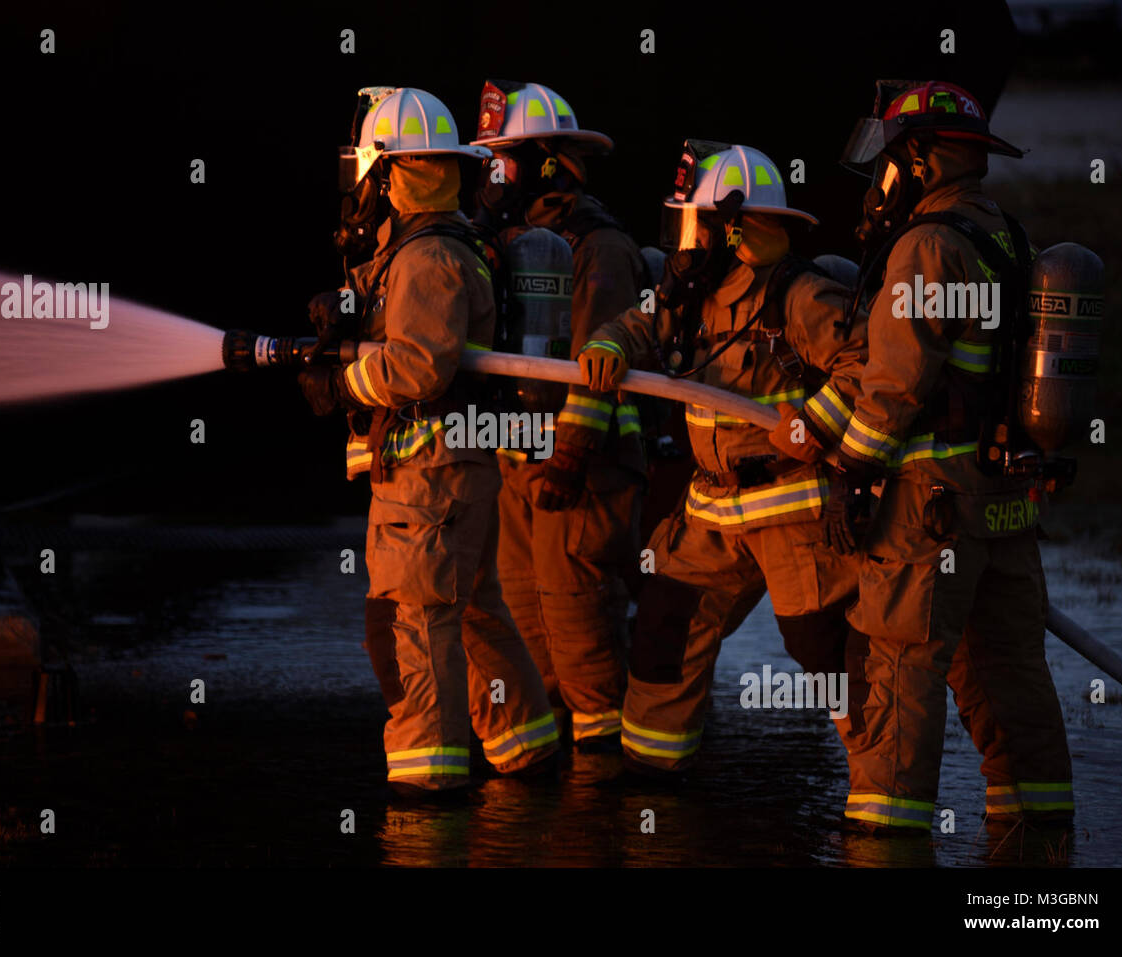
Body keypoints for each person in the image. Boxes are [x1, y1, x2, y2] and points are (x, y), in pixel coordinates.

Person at [300, 86, 559, 794]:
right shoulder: (434, 244)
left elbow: (418, 363)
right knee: (473, 612)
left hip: (429, 473)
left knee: (413, 626)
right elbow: (403, 319)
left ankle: (427, 800)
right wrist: (347, 308)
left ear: (390, 171)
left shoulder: (427, 256)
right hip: (452, 469)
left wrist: (346, 381)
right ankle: (529, 755)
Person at [830, 80, 1073, 832]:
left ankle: (886, 834)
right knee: (1011, 669)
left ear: (921, 161)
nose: (881, 183)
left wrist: (851, 471)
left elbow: (897, 387)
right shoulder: (1010, 238)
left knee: (901, 663)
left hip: (929, 504)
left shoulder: (926, 246)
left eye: (890, 163)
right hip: (1003, 500)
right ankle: (1039, 835)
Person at [581, 141, 868, 775]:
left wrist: (815, 426)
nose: (684, 246)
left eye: (696, 227)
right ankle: (652, 793)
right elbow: (636, 325)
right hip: (711, 511)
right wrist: (608, 344)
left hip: (794, 510)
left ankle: (886, 786)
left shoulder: (799, 296)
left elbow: (869, 366)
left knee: (824, 651)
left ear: (736, 231)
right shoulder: (685, 297)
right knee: (663, 631)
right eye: (681, 227)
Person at [469, 79, 648, 751]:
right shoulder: (513, 243)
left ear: (546, 161)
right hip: (519, 463)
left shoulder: (596, 246)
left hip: (584, 474)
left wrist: (570, 454)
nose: (491, 175)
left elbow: (597, 357)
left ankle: (603, 776)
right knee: (524, 618)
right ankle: (545, 803)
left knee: (579, 624)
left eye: (502, 159)